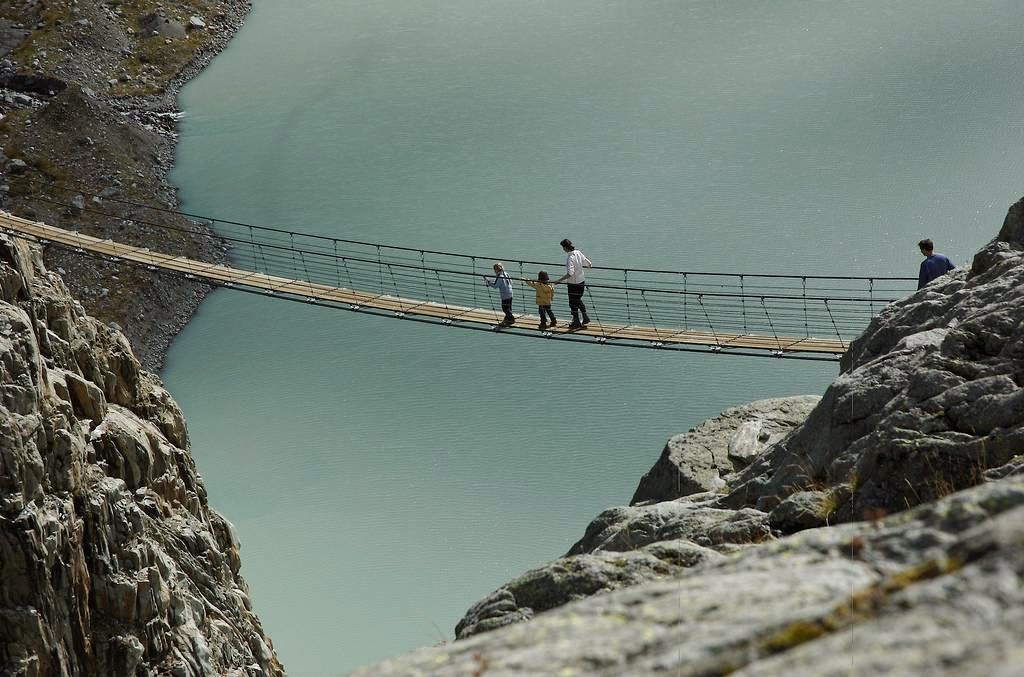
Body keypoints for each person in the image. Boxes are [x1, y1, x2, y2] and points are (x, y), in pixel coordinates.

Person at [553, 239, 592, 329]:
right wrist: (587, 266)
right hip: (581, 281)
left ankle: (576, 321)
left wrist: (558, 281)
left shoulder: (570, 258)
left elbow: (570, 273)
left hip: (573, 284)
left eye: (563, 247)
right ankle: (585, 317)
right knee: (578, 300)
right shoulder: (578, 252)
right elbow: (589, 263)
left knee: (572, 303)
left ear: (565, 247)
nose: (563, 249)